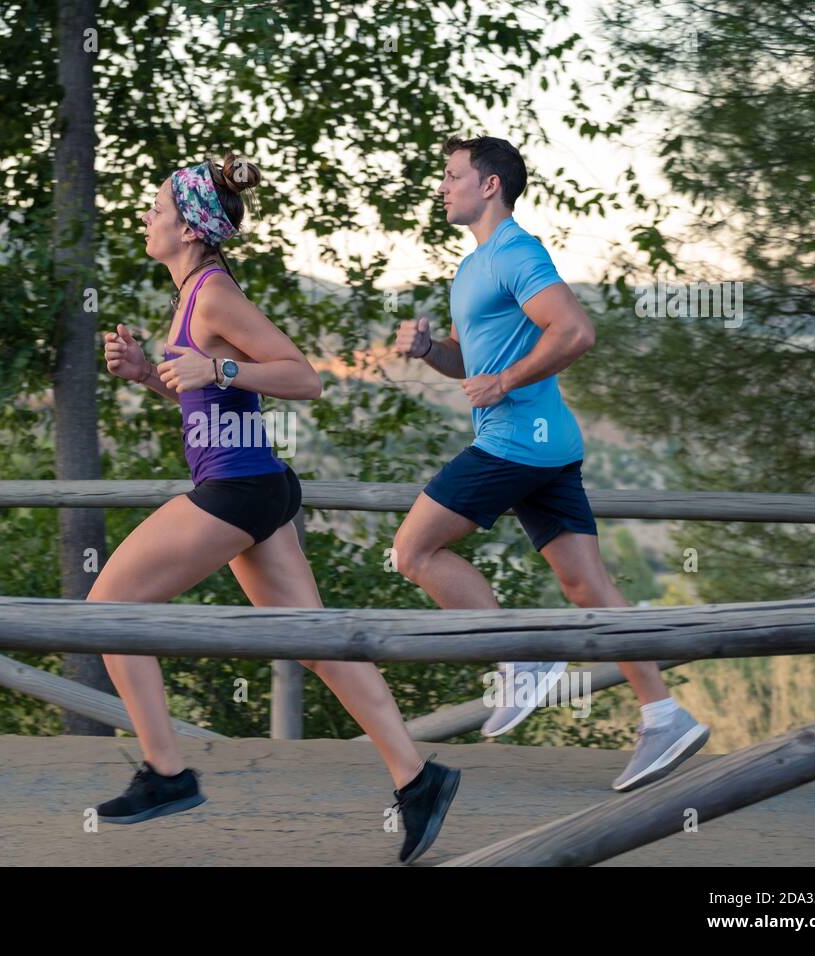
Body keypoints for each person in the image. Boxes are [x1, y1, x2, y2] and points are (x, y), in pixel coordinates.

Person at [94, 153, 460, 863]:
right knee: (317, 645)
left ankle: (166, 772)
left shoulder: (215, 293)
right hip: (256, 486)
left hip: (237, 491)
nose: (148, 215)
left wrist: (220, 367)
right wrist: (152, 375)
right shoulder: (192, 296)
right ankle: (418, 779)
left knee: (107, 606)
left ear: (191, 227)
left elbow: (304, 377)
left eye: (159, 206)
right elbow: (206, 392)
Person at [391, 135, 710, 791]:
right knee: (586, 587)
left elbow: (576, 331)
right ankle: (665, 714)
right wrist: (431, 351)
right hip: (550, 446)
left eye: (452, 176)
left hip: (515, 443)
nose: (441, 186)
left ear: (490, 186)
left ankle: (523, 655)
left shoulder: (516, 252)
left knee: (413, 551)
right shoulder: (474, 265)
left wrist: (504, 382)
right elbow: (466, 362)